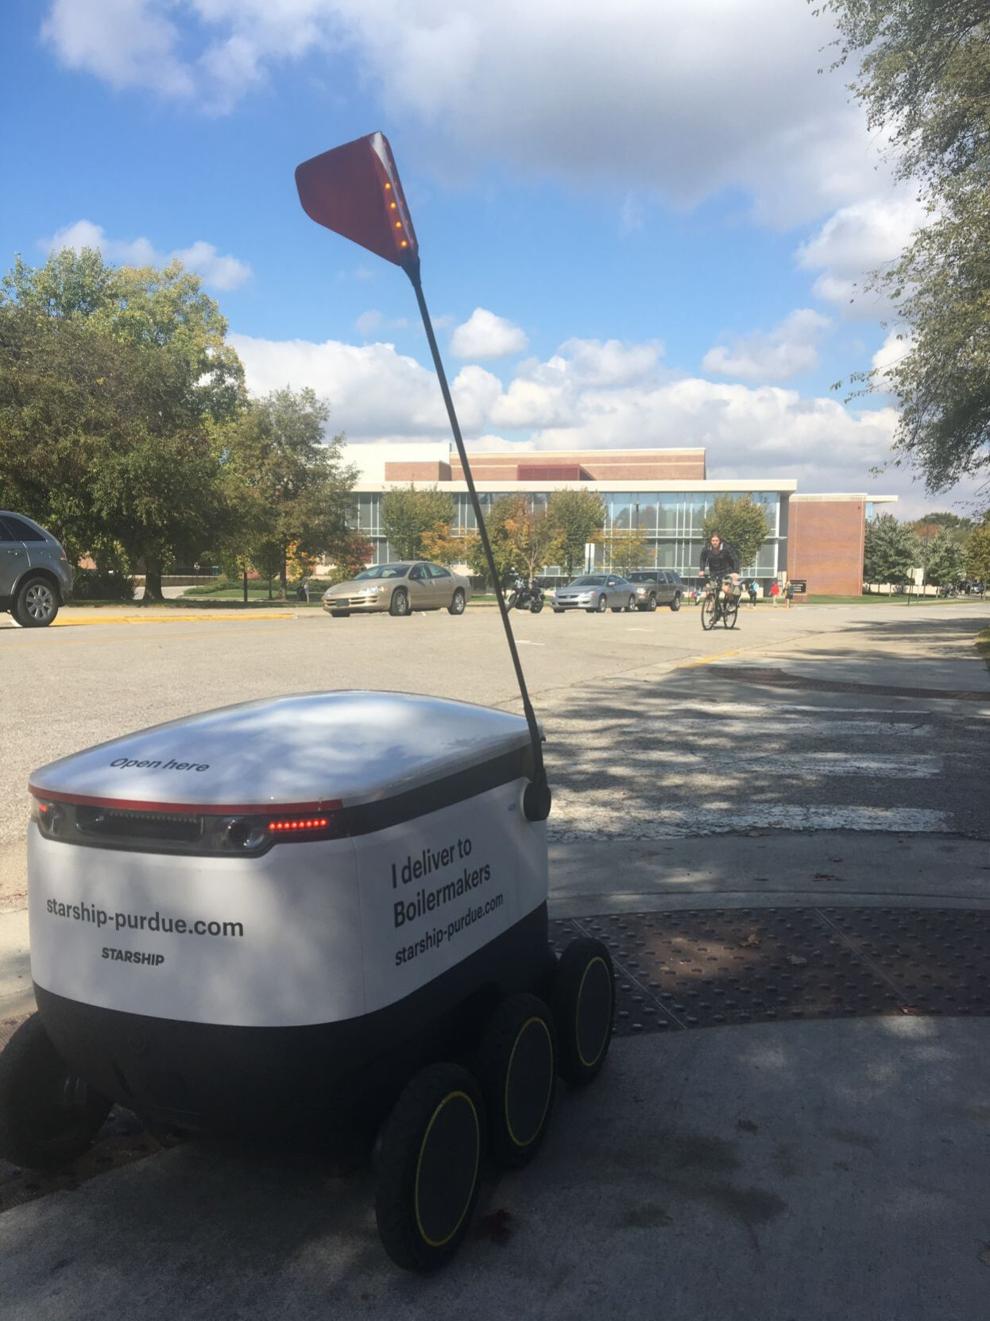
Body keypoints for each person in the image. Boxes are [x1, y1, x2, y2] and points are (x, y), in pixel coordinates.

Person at [698, 531, 741, 601]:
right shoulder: (707, 549)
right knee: (709, 589)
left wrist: (736, 572)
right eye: (713, 541)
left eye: (716, 540)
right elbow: (702, 559)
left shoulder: (726, 548)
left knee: (725, 589)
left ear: (720, 541)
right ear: (710, 541)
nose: (714, 542)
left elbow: (735, 559)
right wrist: (702, 570)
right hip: (713, 572)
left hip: (726, 571)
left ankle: (732, 600)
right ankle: (713, 603)